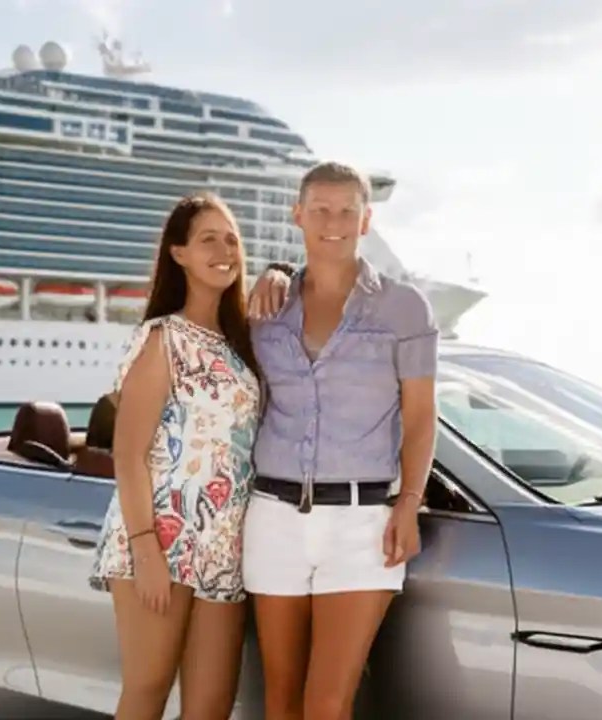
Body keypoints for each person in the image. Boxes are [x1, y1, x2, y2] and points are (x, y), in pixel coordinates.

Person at [242, 161, 439, 720]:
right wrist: (276, 271)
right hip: (271, 518)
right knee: (278, 699)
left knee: (327, 702)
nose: (335, 222)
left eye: (347, 210)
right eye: (321, 210)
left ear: (367, 219)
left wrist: (408, 503)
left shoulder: (404, 307)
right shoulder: (265, 309)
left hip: (362, 525)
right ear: (297, 215)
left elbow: (422, 416)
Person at [88, 192, 264, 720]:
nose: (224, 248)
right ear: (179, 254)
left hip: (222, 547)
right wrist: (146, 551)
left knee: (210, 707)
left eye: (231, 238)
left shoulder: (239, 346)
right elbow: (127, 453)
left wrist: (277, 275)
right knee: (146, 692)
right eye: (208, 238)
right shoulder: (163, 338)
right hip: (159, 538)